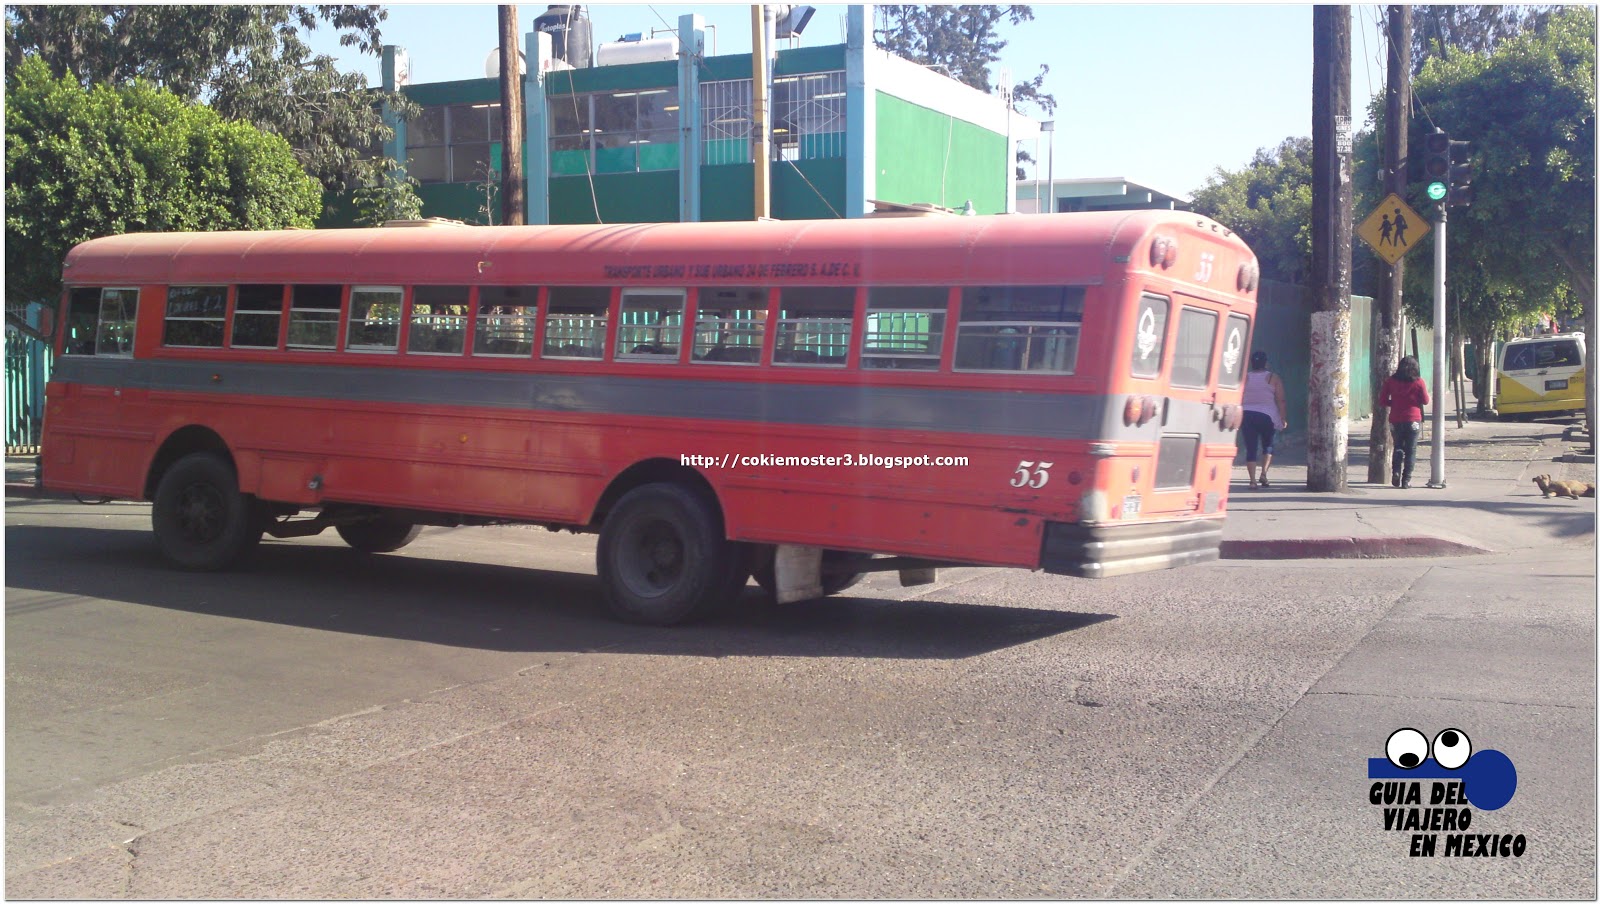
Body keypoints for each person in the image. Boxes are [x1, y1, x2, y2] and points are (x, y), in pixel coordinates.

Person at [1379, 355, 1430, 488]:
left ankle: (1396, 472)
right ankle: (1406, 480)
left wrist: (1395, 403)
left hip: (1395, 418)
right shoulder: (1419, 382)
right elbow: (1425, 400)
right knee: (1411, 450)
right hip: (1413, 419)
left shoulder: (1391, 381)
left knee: (1398, 446)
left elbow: (1383, 400)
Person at [1238, 350, 1288, 488]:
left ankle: (1252, 481)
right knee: (1268, 445)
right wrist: (1282, 417)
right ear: (1266, 363)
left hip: (1247, 415)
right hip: (1268, 416)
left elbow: (1238, 396)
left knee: (1251, 448)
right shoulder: (1273, 378)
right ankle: (1264, 474)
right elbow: (1281, 400)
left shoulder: (1244, 378)